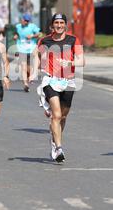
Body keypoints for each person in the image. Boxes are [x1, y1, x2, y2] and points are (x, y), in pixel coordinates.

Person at [32, 13, 85, 163]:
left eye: (62, 23)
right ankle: (59, 148)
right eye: (57, 23)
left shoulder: (73, 40)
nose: (59, 25)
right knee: (56, 115)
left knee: (63, 115)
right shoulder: (45, 40)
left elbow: (82, 60)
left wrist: (70, 63)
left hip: (68, 81)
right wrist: (33, 73)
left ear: (66, 25)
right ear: (52, 25)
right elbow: (36, 55)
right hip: (50, 80)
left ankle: (55, 140)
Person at [13, 13, 41, 92]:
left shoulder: (32, 26)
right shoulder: (18, 26)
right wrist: (15, 36)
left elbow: (39, 34)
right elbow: (15, 34)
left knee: (36, 63)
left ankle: (30, 76)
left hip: (32, 48)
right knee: (23, 67)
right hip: (22, 49)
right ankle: (25, 84)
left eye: (27, 21)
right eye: (24, 20)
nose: (25, 22)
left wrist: (32, 36)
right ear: (22, 19)